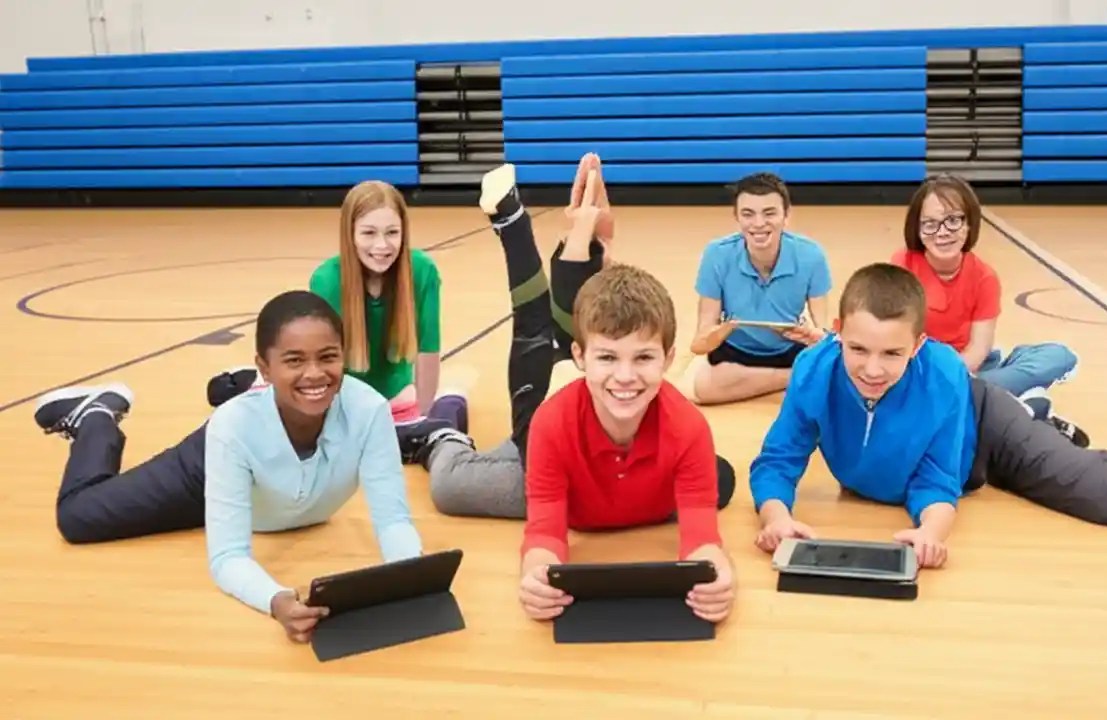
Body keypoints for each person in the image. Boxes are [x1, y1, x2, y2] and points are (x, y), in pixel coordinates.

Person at [748, 262, 1107, 569]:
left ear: (919, 344)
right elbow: (777, 460)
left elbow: (938, 479)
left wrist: (931, 532)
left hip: (983, 424)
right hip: (937, 461)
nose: (872, 369)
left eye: (892, 355)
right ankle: (1044, 419)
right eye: (857, 349)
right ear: (836, 331)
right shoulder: (814, 370)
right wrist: (777, 517)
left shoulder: (943, 373)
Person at [412, 160, 737, 624]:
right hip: (542, 438)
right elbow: (544, 533)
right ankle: (441, 430)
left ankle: (576, 236)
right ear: (581, 358)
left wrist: (718, 574)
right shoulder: (552, 422)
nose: (625, 376)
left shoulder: (687, 429)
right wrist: (537, 575)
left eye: (644, 359)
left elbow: (704, 538)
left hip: (582, 466)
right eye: (607, 359)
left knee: (719, 479)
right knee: (449, 487)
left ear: (668, 361)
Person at [34, 289, 425, 643]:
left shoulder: (369, 410)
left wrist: (409, 581)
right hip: (204, 471)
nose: (315, 373)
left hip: (281, 505)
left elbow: (392, 520)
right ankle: (95, 419)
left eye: (328, 357)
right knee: (78, 518)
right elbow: (228, 556)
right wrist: (275, 600)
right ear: (264, 368)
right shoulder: (232, 428)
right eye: (294, 360)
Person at [205, 180, 468, 461]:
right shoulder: (327, 279)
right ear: (350, 234)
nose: (382, 245)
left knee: (434, 427)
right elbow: (321, 362)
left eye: (392, 233)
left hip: (394, 397)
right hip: (337, 386)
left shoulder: (422, 271)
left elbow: (428, 349)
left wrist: (424, 421)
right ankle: (252, 380)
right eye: (369, 233)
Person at [890, 174, 1087, 444]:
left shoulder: (984, 277)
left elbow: (977, 350)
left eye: (953, 220)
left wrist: (953, 379)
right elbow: (895, 337)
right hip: (921, 373)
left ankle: (992, 400)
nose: (942, 232)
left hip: (971, 371)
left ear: (969, 223)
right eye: (930, 224)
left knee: (1061, 357)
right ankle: (1025, 409)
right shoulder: (903, 264)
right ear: (917, 229)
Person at [681, 172, 833, 405]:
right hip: (735, 352)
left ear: (786, 216)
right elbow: (700, 344)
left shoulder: (812, 255)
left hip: (787, 350)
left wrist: (814, 337)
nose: (759, 224)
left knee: (830, 374)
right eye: (748, 214)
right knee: (701, 389)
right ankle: (789, 381)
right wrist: (722, 330)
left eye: (769, 213)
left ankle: (752, 385)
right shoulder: (716, 254)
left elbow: (824, 337)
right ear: (737, 217)